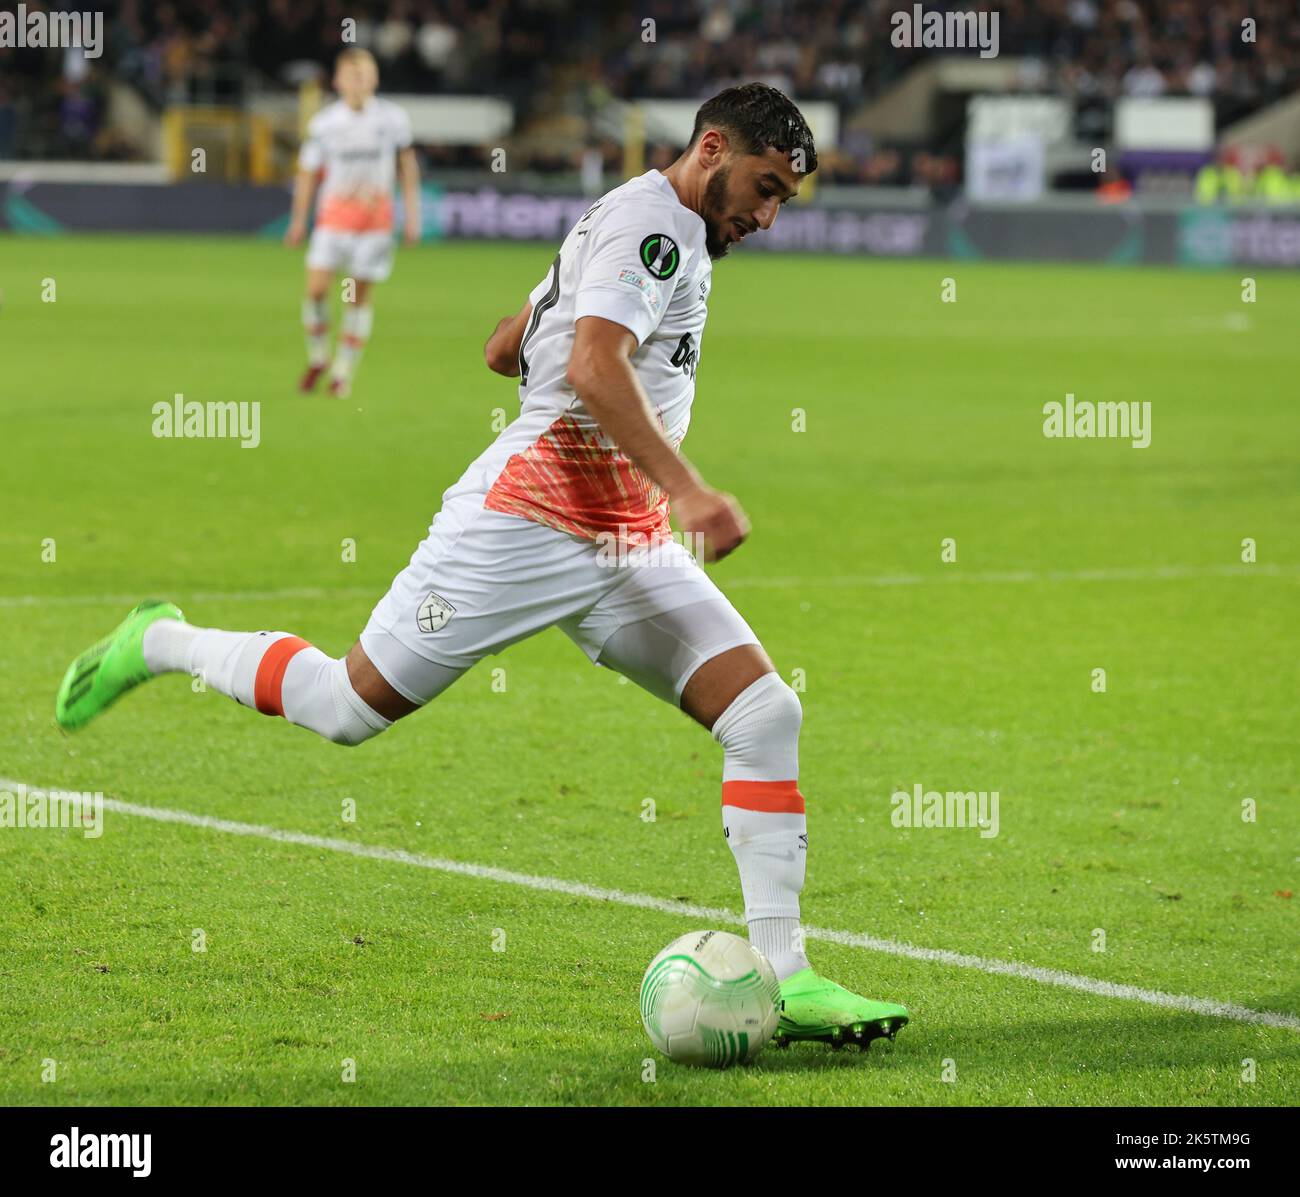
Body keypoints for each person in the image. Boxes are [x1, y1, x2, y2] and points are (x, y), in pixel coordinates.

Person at [57, 83, 909, 1052]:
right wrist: (687, 488)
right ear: (711, 148)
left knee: (763, 714)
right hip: (527, 520)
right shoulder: (657, 226)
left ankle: (788, 978)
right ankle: (157, 639)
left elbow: (518, 341)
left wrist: (522, 341)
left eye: (783, 202)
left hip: (618, 536)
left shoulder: (645, 217)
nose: (764, 215)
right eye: (761, 187)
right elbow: (594, 366)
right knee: (346, 706)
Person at [285, 48, 421, 399]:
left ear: (374, 79)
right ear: (338, 81)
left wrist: (412, 216)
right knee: (315, 291)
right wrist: (299, 220)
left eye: (364, 75)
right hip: (332, 220)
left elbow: (406, 168)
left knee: (356, 298)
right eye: (351, 75)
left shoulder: (392, 119)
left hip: (374, 223)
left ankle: (343, 372)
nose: (358, 82)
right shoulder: (325, 124)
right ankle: (318, 357)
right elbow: (307, 174)